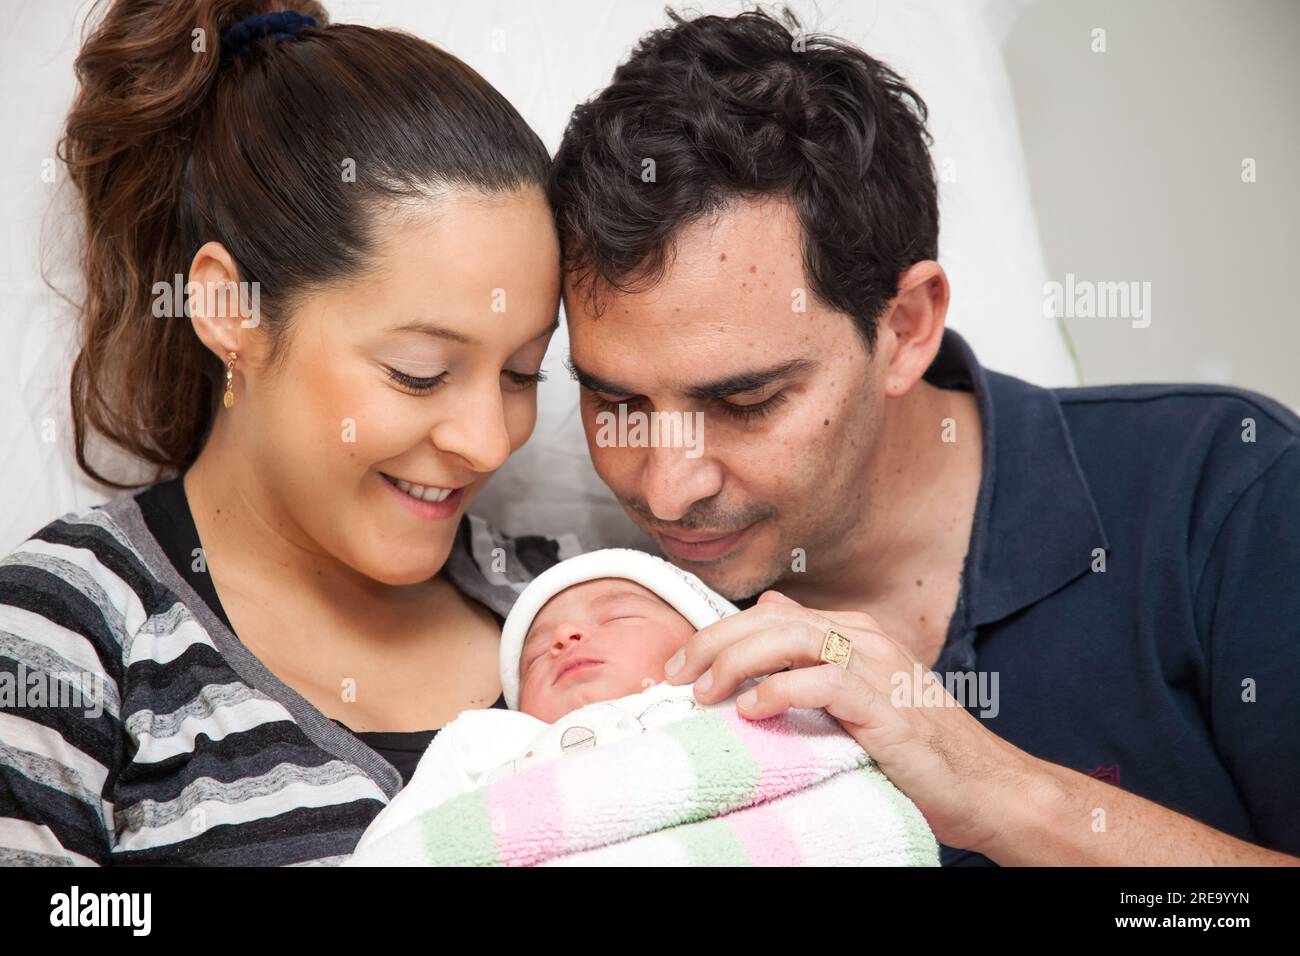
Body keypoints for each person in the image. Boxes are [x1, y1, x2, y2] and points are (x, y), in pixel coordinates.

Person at [547, 8, 1300, 865]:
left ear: (905, 326)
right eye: (617, 403)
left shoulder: (1226, 489)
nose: (667, 490)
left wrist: (1001, 795)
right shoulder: (600, 631)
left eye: (749, 401)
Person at [0, 1, 567, 865]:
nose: (488, 441)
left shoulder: (575, 606)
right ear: (230, 309)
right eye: (420, 372)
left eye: (522, 373)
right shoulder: (67, 632)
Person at [345, 549, 938, 867]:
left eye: (614, 617)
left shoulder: (756, 707)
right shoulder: (488, 742)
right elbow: (409, 839)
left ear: (713, 646)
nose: (565, 639)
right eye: (534, 654)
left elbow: (854, 798)